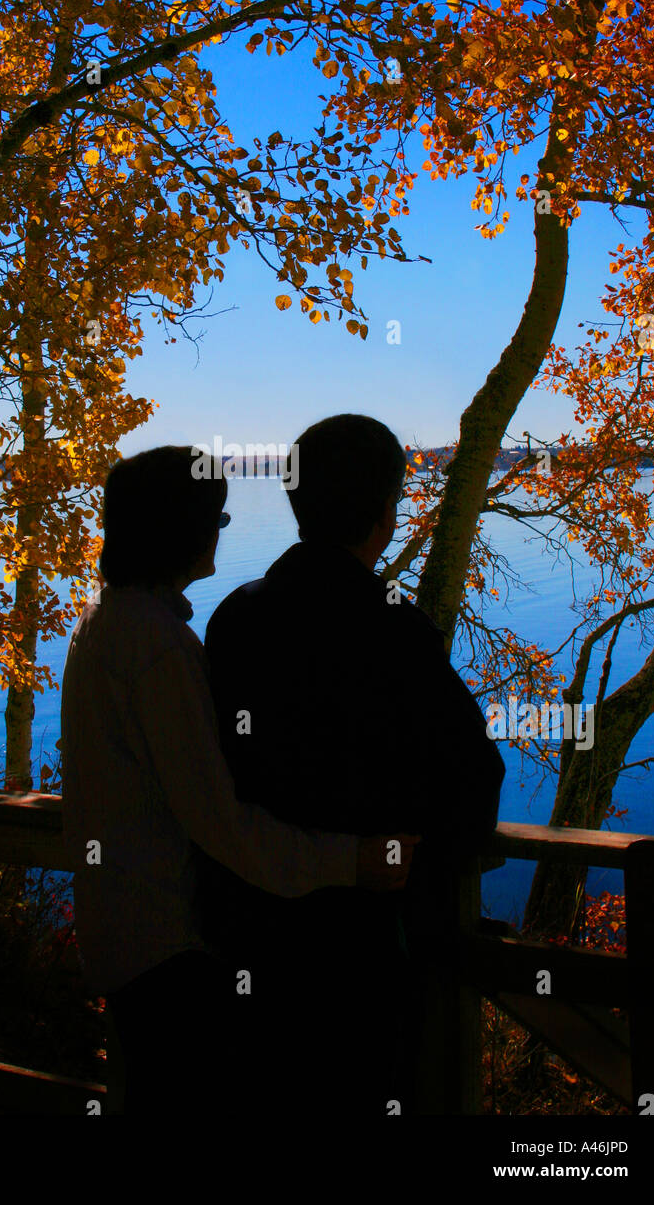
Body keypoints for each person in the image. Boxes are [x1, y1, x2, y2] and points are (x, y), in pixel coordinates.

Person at [59, 444, 421, 1119]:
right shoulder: (159, 648)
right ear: (183, 528)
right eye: (217, 518)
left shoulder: (101, 626)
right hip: (168, 949)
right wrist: (350, 862)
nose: (222, 530)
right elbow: (218, 819)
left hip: (117, 934)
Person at [196, 414, 506, 1117]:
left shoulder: (234, 620)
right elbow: (472, 774)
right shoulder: (392, 632)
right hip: (362, 955)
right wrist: (426, 873)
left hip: (248, 938)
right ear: (385, 515)